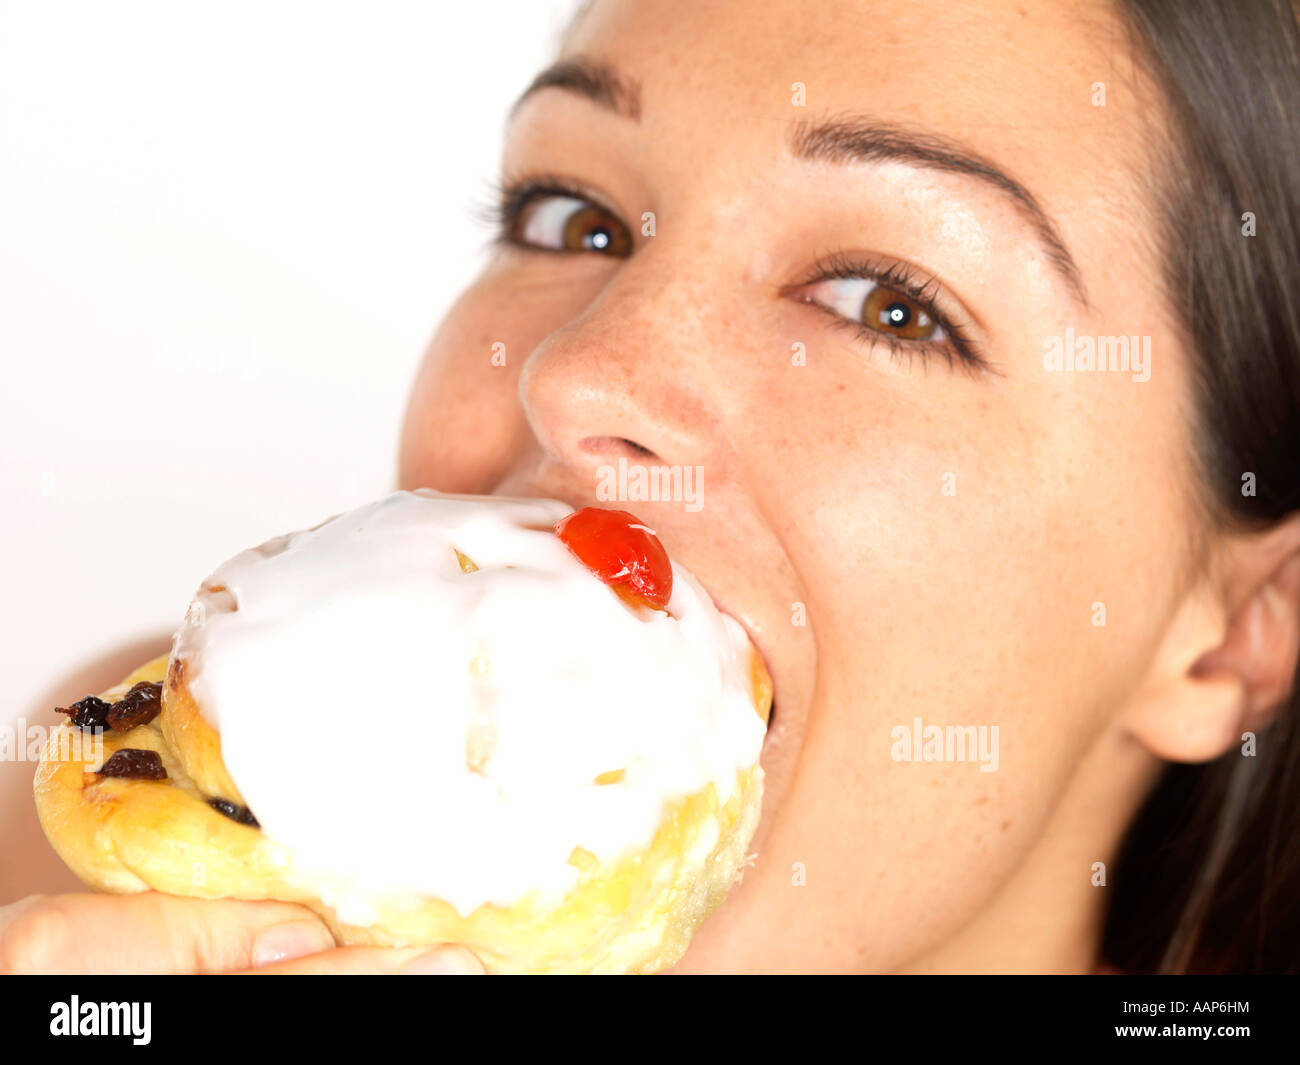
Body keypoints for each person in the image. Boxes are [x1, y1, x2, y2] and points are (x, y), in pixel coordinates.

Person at [4, 0, 1298, 974]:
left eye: (890, 303)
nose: (579, 375)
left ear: (1231, 639)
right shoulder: (124, 812)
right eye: (576, 217)